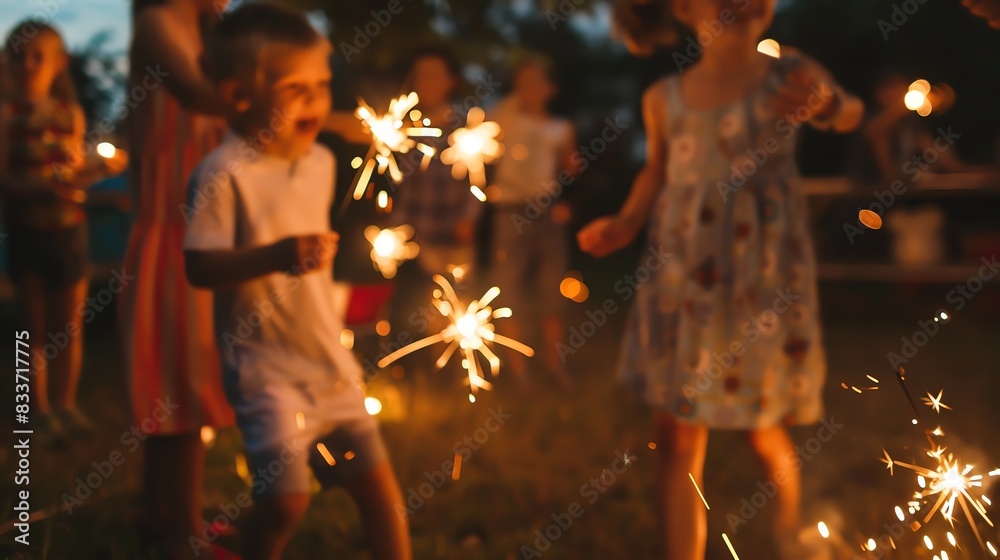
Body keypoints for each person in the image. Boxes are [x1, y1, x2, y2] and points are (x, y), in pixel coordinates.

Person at [577, 1, 863, 558]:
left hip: (760, 277)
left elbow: (848, 110)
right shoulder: (665, 98)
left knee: (765, 421)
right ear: (683, 7)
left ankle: (787, 530)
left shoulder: (788, 72)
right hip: (685, 278)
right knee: (678, 431)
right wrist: (627, 221)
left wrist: (826, 105)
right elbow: (656, 170)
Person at [183, 4, 410, 560]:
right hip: (266, 372)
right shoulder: (220, 173)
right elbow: (200, 266)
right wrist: (276, 256)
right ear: (239, 96)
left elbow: (301, 136)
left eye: (322, 86)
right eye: (295, 88)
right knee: (286, 502)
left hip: (329, 362)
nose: (315, 101)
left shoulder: (320, 164)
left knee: (379, 490)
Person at [120, 0, 234, 557]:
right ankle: (185, 535)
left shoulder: (208, 27)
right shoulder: (158, 24)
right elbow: (195, 94)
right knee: (182, 386)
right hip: (172, 231)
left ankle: (159, 513)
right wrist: (292, 107)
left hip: (200, 228)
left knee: (185, 379)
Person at [0, 20, 124, 447]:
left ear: (59, 63)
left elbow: (72, 178)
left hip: (69, 234)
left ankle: (66, 404)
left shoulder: (69, 115)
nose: (27, 64)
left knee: (68, 328)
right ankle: (37, 411)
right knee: (31, 331)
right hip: (28, 233)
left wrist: (100, 170)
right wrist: (39, 187)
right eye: (18, 55)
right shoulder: (6, 116)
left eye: (38, 56)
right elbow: (6, 180)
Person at [488, 55, 578, 385]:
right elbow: (481, 138)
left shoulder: (560, 128)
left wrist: (566, 201)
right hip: (509, 211)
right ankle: (518, 369)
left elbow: (571, 170)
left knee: (551, 288)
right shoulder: (505, 119)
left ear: (550, 88)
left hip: (546, 211)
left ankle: (555, 364)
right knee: (510, 288)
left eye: (536, 82)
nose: (528, 89)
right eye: (522, 82)